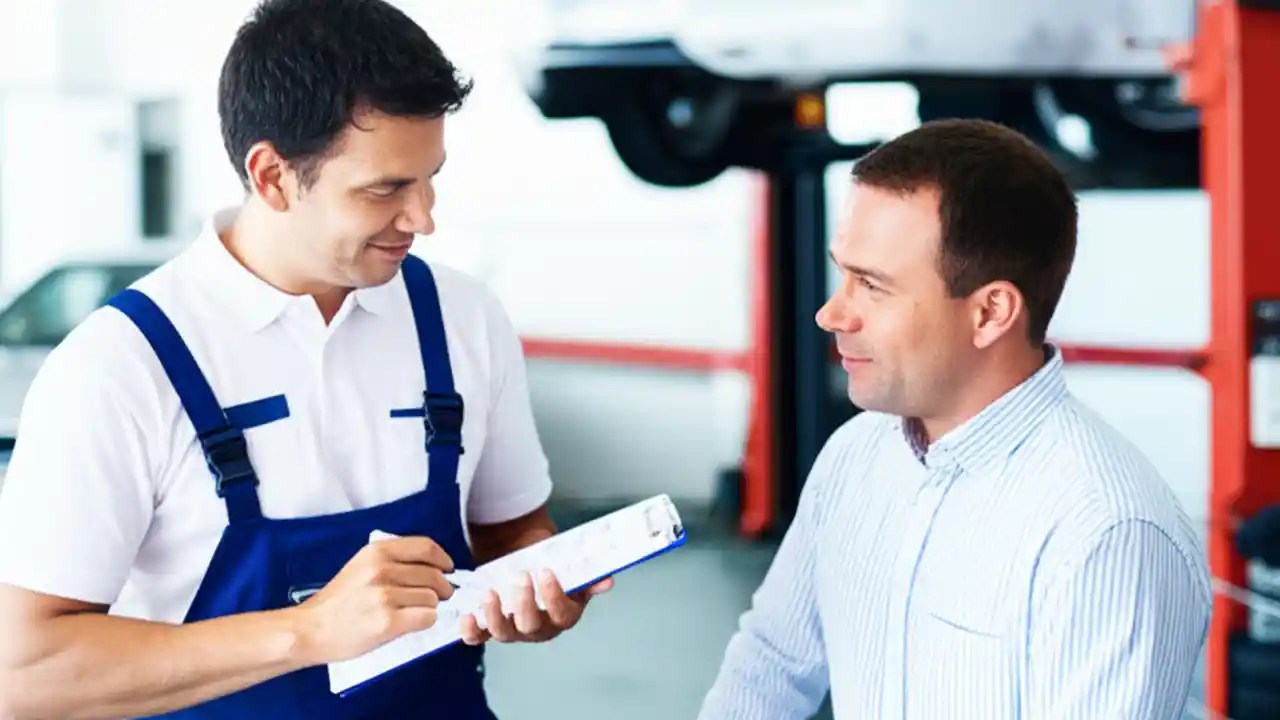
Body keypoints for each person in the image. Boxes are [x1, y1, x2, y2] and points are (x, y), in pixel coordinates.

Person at [0, 1, 609, 717]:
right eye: (385, 189)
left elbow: (513, 531)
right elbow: (24, 674)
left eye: (429, 177)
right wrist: (309, 632)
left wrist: (536, 587)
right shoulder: (119, 368)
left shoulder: (462, 318)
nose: (424, 217)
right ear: (272, 177)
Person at [698, 119, 1212, 719]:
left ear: (991, 312)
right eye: (844, 275)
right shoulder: (857, 455)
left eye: (872, 286)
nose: (831, 313)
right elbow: (774, 661)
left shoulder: (1105, 533)